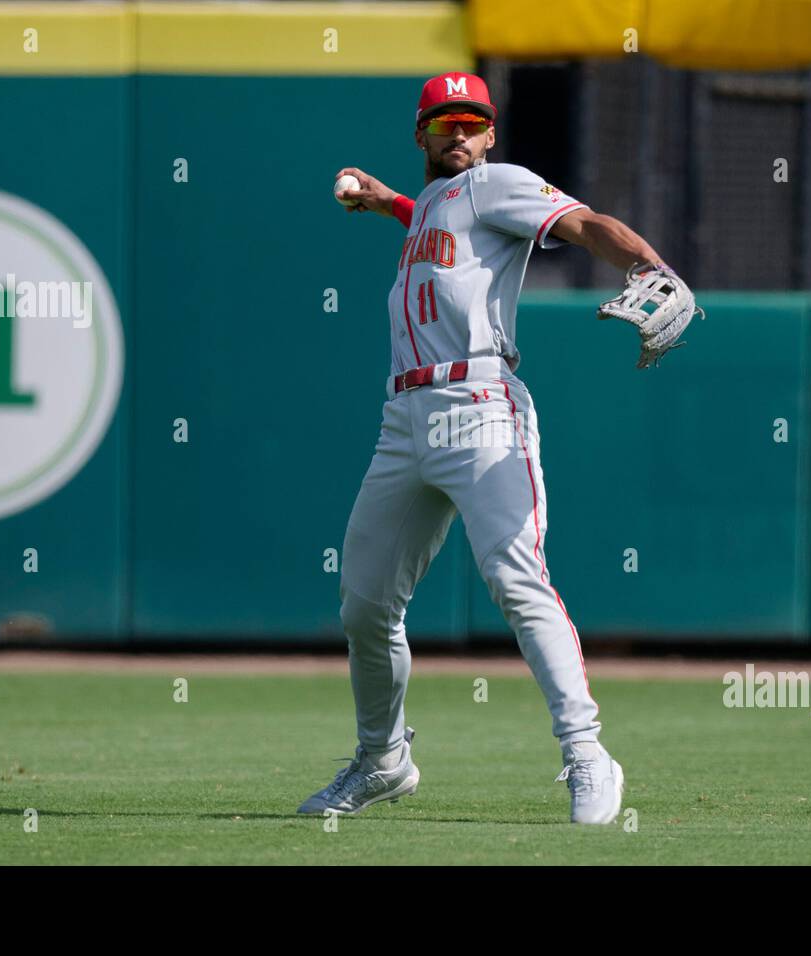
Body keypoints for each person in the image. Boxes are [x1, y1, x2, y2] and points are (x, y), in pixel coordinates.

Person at [298, 72, 671, 824]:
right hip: (403, 418)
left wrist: (648, 268)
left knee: (516, 577)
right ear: (422, 136)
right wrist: (389, 204)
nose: (459, 135)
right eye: (445, 123)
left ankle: (588, 756)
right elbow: (446, 236)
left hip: (480, 405)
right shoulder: (437, 201)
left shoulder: (499, 181)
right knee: (365, 604)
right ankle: (382, 761)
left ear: (491, 133)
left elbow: (584, 223)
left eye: (472, 122)